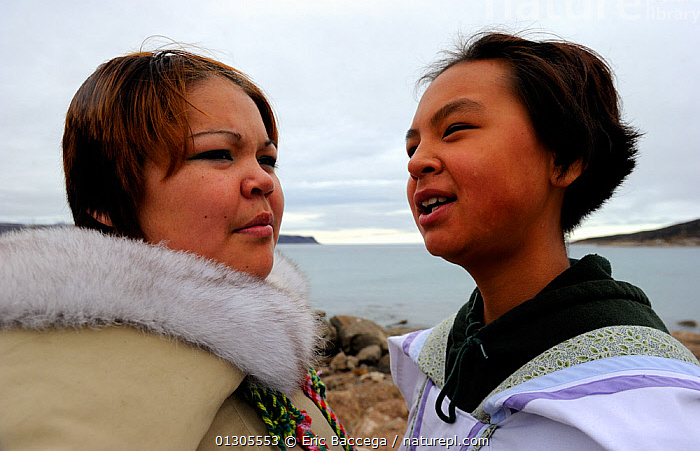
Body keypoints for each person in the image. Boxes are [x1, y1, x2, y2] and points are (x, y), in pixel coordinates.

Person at [0, 50, 352, 450]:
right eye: (218, 153)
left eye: (267, 159)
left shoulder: (257, 350)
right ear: (105, 199)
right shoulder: (67, 384)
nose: (263, 180)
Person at [389, 32, 700, 450]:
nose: (416, 161)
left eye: (456, 128)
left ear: (564, 159)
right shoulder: (437, 357)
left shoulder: (648, 407)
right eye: (413, 145)